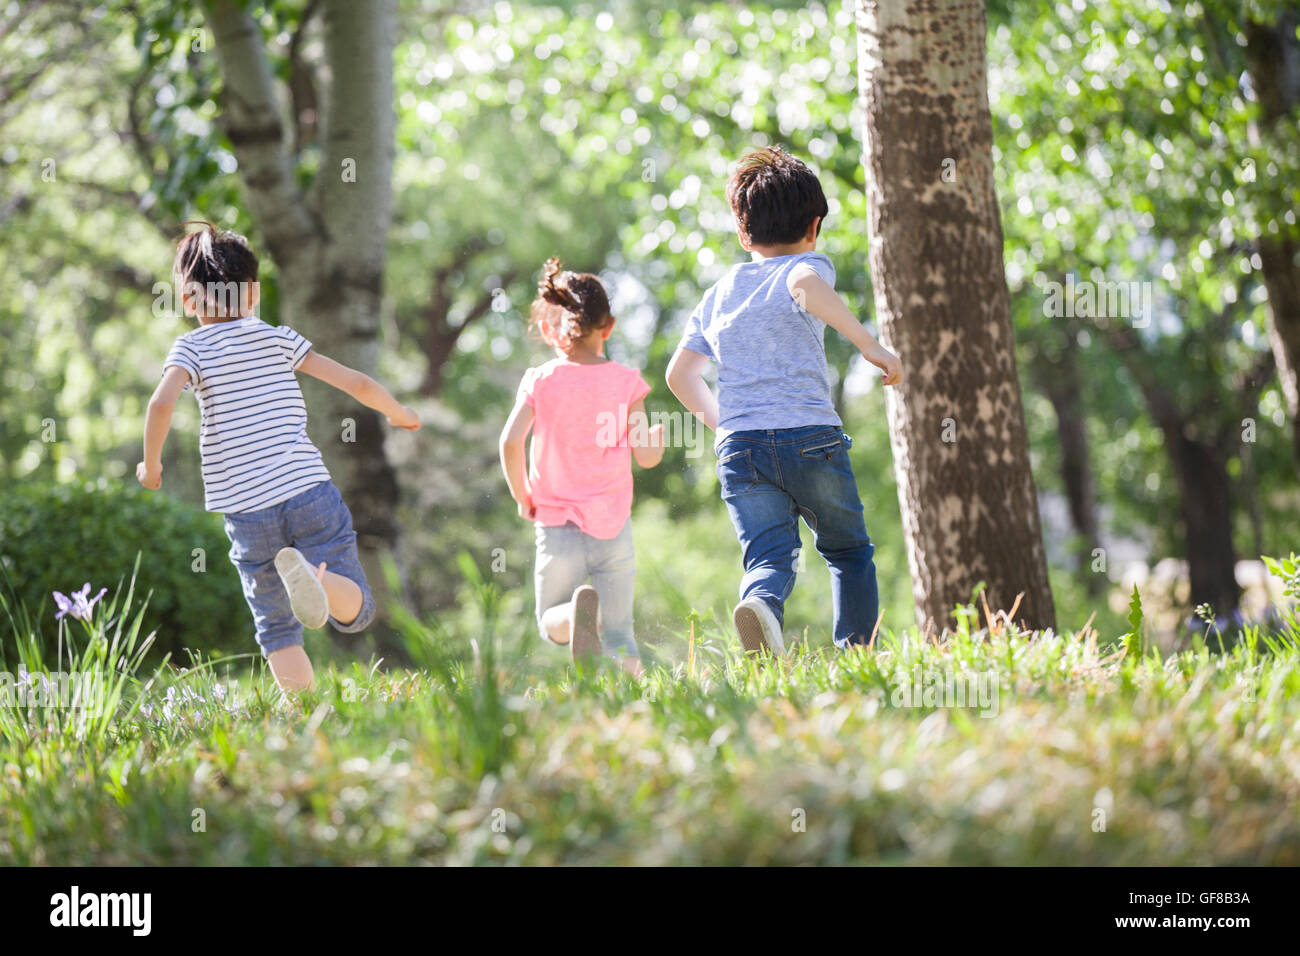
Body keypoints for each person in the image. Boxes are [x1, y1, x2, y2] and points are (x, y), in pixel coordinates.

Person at [137, 222, 420, 691]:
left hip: (247, 511)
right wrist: (399, 412)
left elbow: (161, 404)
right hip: (306, 489)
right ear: (253, 294)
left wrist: (152, 464)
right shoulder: (278, 337)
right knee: (357, 608)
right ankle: (318, 578)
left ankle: (302, 713)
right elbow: (356, 382)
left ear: (188, 301)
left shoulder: (191, 348)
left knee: (276, 626)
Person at [666, 147, 903, 655]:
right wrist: (870, 345)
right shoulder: (806, 266)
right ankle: (857, 651)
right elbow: (804, 284)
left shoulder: (720, 292)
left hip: (740, 449)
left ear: (742, 232)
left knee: (768, 558)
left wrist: (725, 425)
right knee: (848, 551)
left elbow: (680, 375)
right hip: (809, 437)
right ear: (814, 225)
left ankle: (761, 608)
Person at [500, 258, 664, 677]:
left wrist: (523, 497)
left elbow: (510, 442)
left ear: (550, 329)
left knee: (549, 620)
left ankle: (575, 618)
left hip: (557, 526)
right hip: (613, 527)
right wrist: (656, 439)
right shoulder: (627, 382)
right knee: (621, 631)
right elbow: (646, 457)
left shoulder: (541, 379)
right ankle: (638, 701)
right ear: (608, 327)